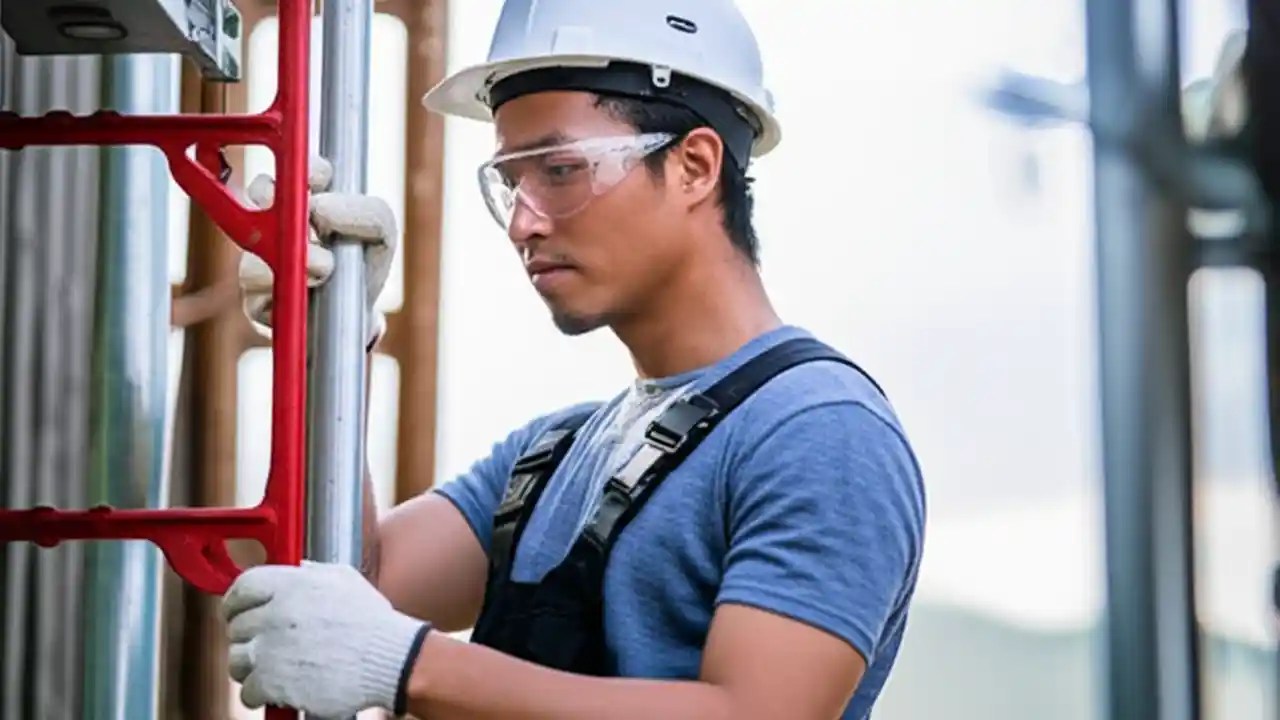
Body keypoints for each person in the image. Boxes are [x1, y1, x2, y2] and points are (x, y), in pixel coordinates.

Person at [221, 1, 927, 718]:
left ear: (694, 165)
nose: (524, 223)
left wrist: (410, 667)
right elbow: (347, 586)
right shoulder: (555, 453)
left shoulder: (817, 432)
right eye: (511, 183)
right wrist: (328, 349)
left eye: (560, 170)